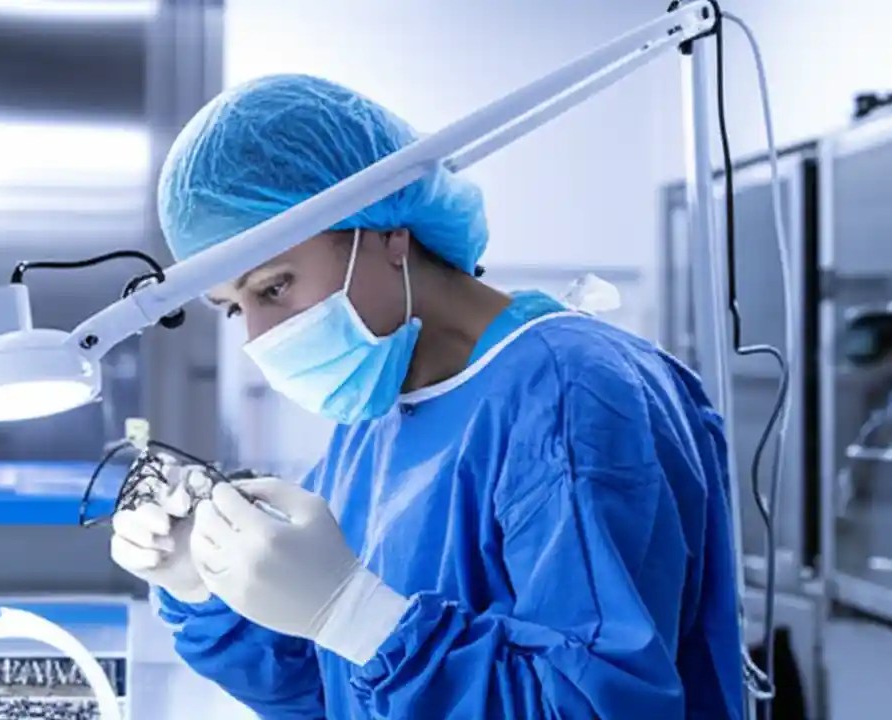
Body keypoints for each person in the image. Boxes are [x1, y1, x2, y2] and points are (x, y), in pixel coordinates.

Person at [109, 73, 743, 719]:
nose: (261, 336)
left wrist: (355, 615)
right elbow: (329, 690)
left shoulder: (572, 396)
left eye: (273, 287)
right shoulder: (380, 409)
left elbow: (599, 706)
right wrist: (208, 584)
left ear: (389, 231)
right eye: (233, 309)